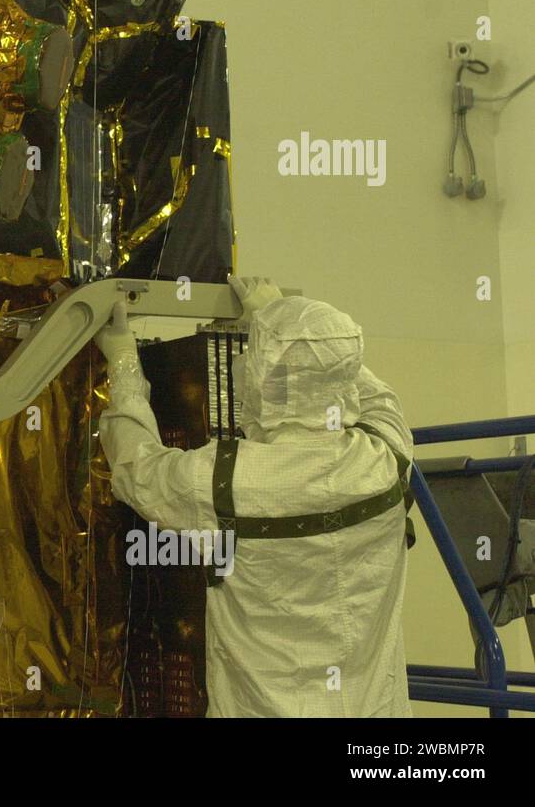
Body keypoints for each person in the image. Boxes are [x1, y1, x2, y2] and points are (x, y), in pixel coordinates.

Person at [94, 276, 414, 717]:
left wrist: (124, 361)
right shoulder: (385, 459)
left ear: (265, 379)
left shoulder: (222, 478)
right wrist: (277, 319)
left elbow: (136, 466)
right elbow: (363, 387)